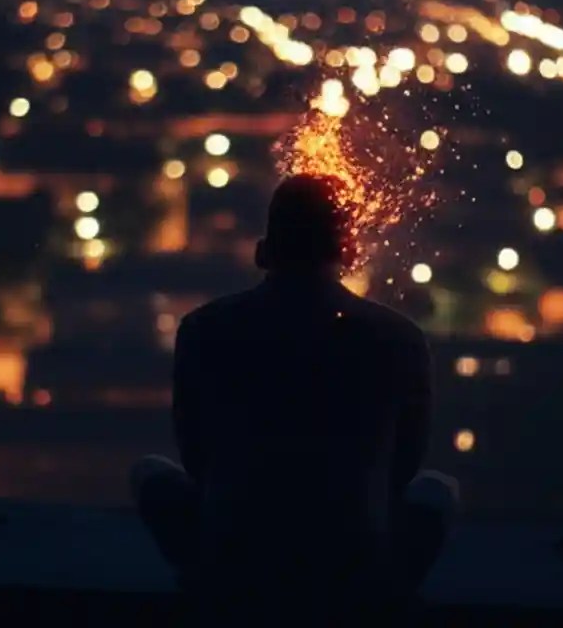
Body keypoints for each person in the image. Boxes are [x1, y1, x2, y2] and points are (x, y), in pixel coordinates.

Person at [130, 174, 457, 621]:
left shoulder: (205, 328)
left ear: (264, 251)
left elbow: (195, 458)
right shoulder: (399, 336)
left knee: (149, 473)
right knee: (438, 491)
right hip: (353, 566)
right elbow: (405, 466)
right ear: (348, 251)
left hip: (234, 562)